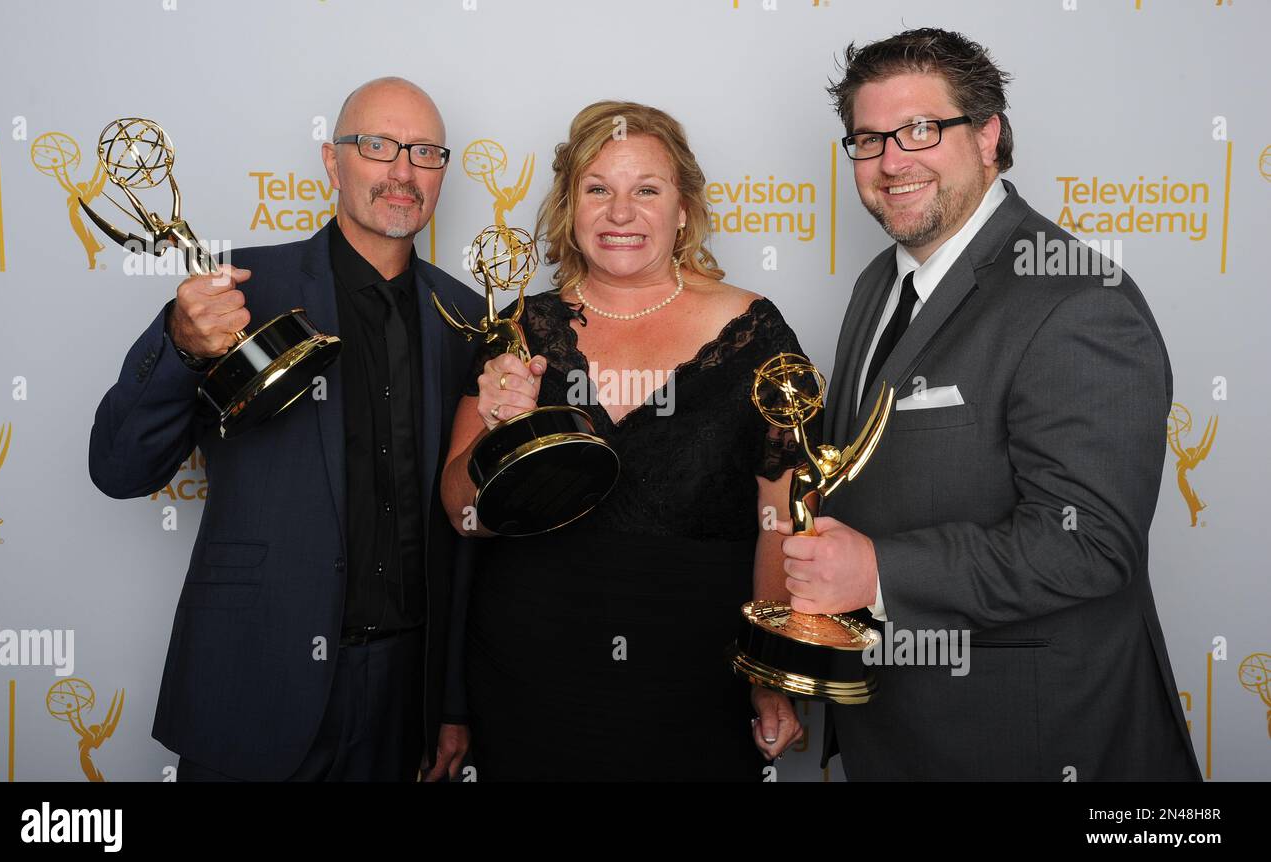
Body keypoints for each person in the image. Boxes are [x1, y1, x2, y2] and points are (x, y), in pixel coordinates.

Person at [779, 29, 1202, 780]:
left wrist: (876, 571)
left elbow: (1089, 543)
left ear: (988, 136)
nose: (891, 161)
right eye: (868, 139)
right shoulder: (880, 281)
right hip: (895, 725)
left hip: (1031, 737)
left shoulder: (1077, 299)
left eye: (920, 129)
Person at [89, 77, 486, 781]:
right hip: (253, 681)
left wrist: (450, 701)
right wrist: (182, 346)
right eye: (377, 146)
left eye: (425, 152)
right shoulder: (239, 292)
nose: (402, 171)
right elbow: (120, 469)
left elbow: (465, 533)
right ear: (333, 164)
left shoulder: (464, 315)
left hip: (404, 701)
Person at [440, 101, 805, 781]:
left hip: (698, 685)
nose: (620, 212)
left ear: (684, 209)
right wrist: (497, 431)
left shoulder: (756, 333)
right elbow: (462, 515)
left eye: (646, 190)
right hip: (529, 685)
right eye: (598, 188)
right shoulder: (520, 330)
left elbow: (781, 521)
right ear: (569, 205)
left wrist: (771, 671)